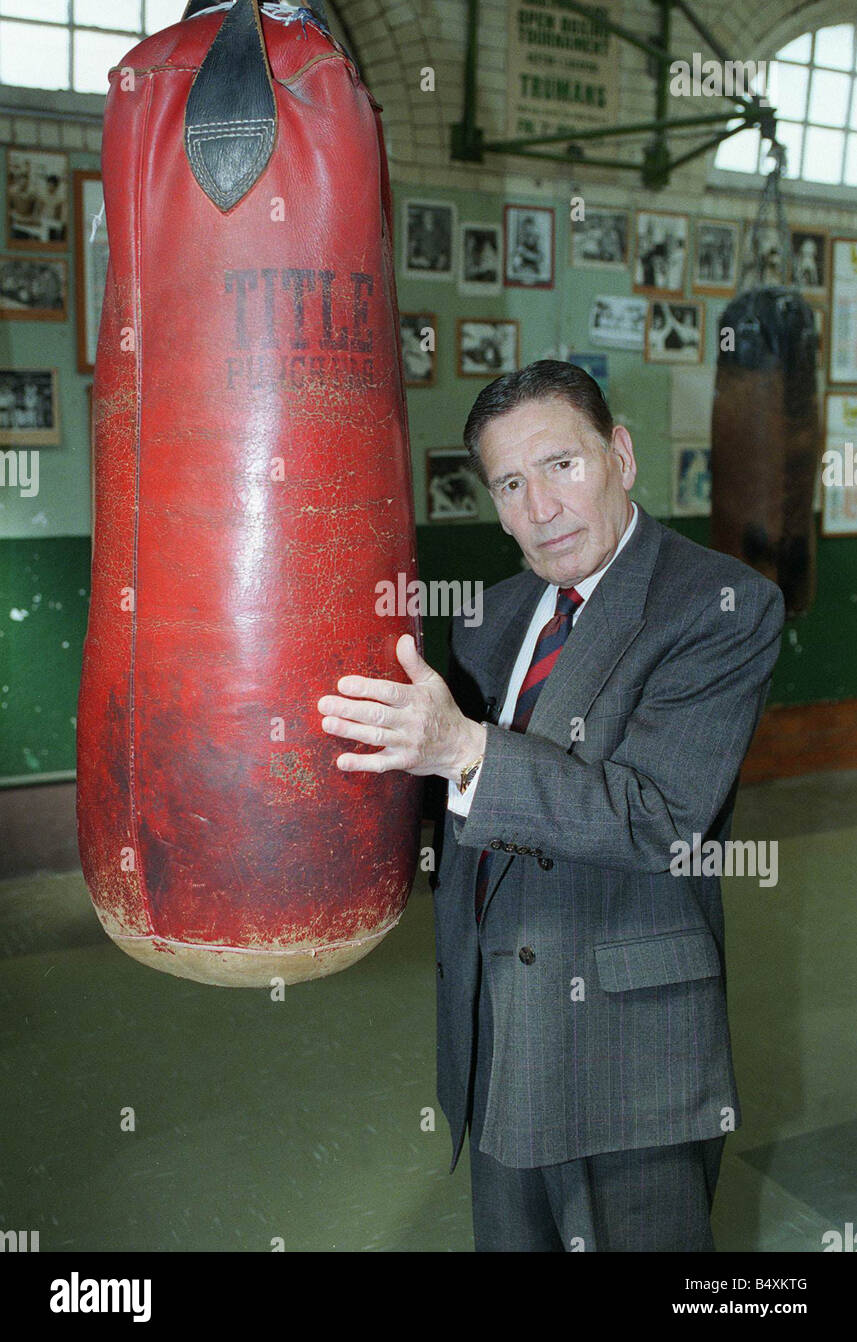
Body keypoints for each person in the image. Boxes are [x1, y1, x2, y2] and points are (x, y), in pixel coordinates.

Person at [317, 360, 785, 1252]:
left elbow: (658, 818)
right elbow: (454, 806)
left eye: (561, 466)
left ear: (619, 454)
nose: (539, 507)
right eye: (509, 482)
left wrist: (462, 747)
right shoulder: (490, 618)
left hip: (626, 1054)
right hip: (494, 1034)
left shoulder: (718, 607)